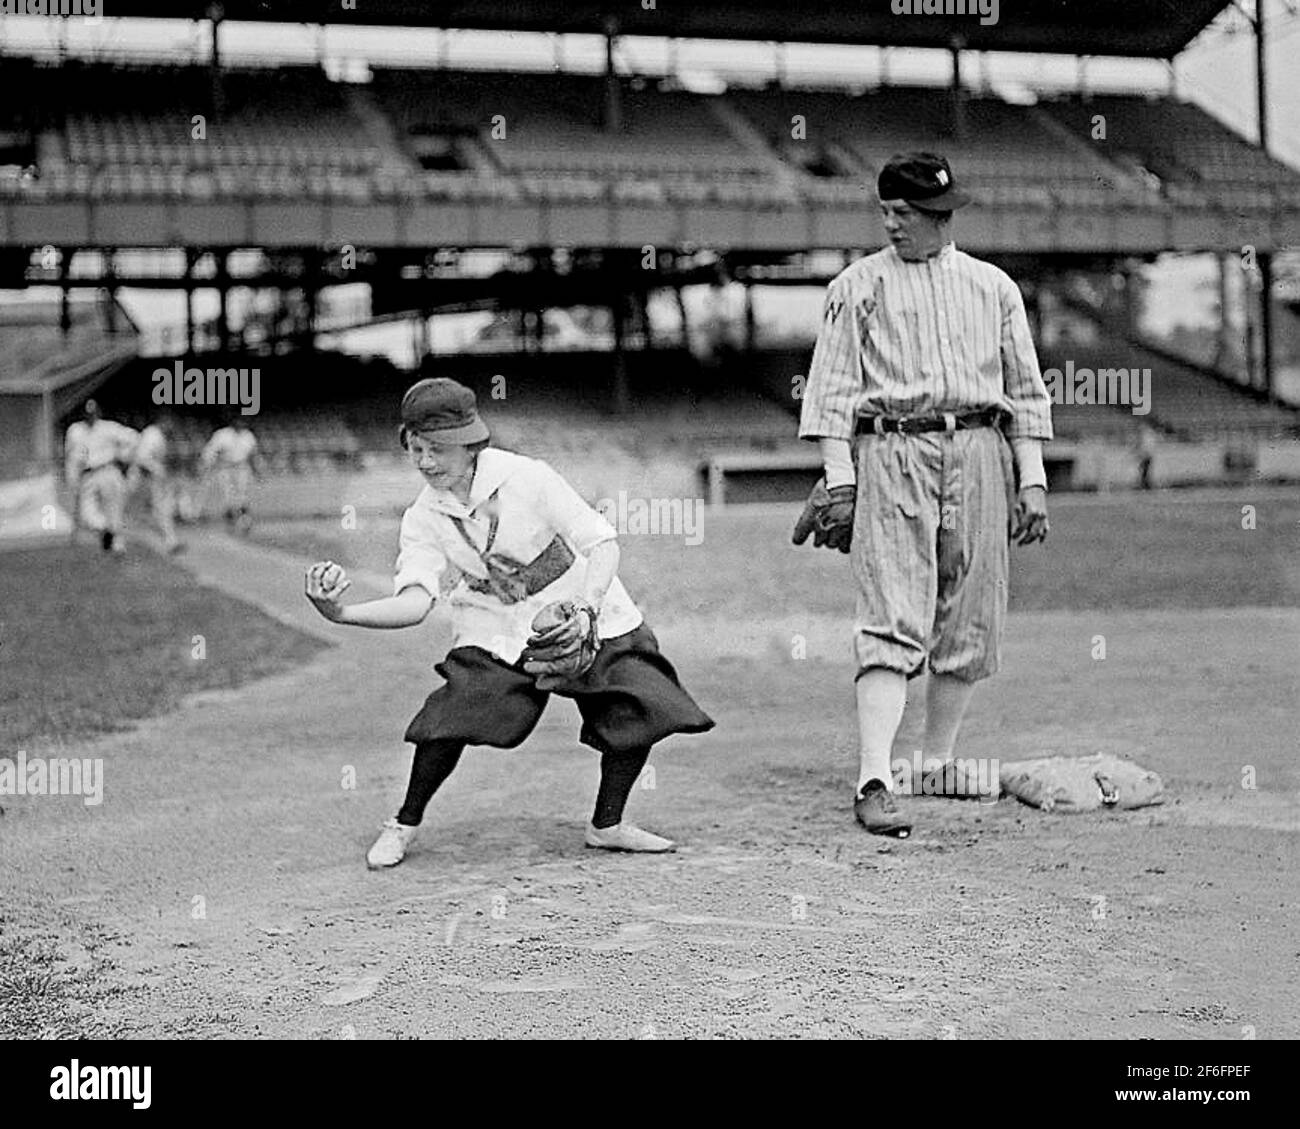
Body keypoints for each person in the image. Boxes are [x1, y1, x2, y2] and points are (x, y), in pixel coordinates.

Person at [303, 377, 714, 869]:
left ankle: (608, 825)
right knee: (452, 714)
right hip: (494, 621)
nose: (426, 462)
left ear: (471, 443)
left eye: (438, 448)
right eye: (416, 448)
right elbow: (415, 601)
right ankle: (403, 824)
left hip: (578, 606)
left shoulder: (527, 478)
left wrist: (587, 607)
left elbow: (601, 541)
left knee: (642, 701)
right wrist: (342, 613)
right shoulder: (424, 517)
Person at [795, 152, 1054, 837]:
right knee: (891, 610)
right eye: (885, 210)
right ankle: (874, 777)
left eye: (904, 213)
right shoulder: (857, 286)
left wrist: (1032, 479)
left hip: (978, 446)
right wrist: (842, 481)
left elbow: (1024, 395)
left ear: (943, 216)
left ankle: (934, 761)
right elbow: (831, 396)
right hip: (891, 448)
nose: (891, 224)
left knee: (971, 614)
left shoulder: (993, 288)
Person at [64, 399, 138, 554]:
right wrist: (72, 479)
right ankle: (105, 530)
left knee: (114, 511)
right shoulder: (75, 430)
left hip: (108, 470)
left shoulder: (108, 427)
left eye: (92, 413)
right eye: (87, 414)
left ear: (98, 413)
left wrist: (123, 456)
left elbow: (133, 438)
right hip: (88, 474)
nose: (90, 417)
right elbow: (71, 457)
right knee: (87, 514)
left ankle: (117, 545)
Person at [127, 413, 183, 553]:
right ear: (164, 421)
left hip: (149, 479)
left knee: (160, 510)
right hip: (140, 478)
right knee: (128, 510)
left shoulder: (159, 435)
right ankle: (122, 540)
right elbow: (141, 459)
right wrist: (157, 471)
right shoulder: (152, 435)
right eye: (170, 423)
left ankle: (171, 542)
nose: (171, 427)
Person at [200, 415, 260, 533]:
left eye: (243, 421)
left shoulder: (248, 435)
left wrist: (256, 470)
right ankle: (231, 524)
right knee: (228, 497)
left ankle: (245, 522)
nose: (241, 424)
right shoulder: (222, 435)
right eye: (239, 421)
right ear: (233, 422)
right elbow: (210, 451)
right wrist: (207, 465)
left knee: (243, 496)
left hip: (242, 467)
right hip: (225, 468)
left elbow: (253, 454)